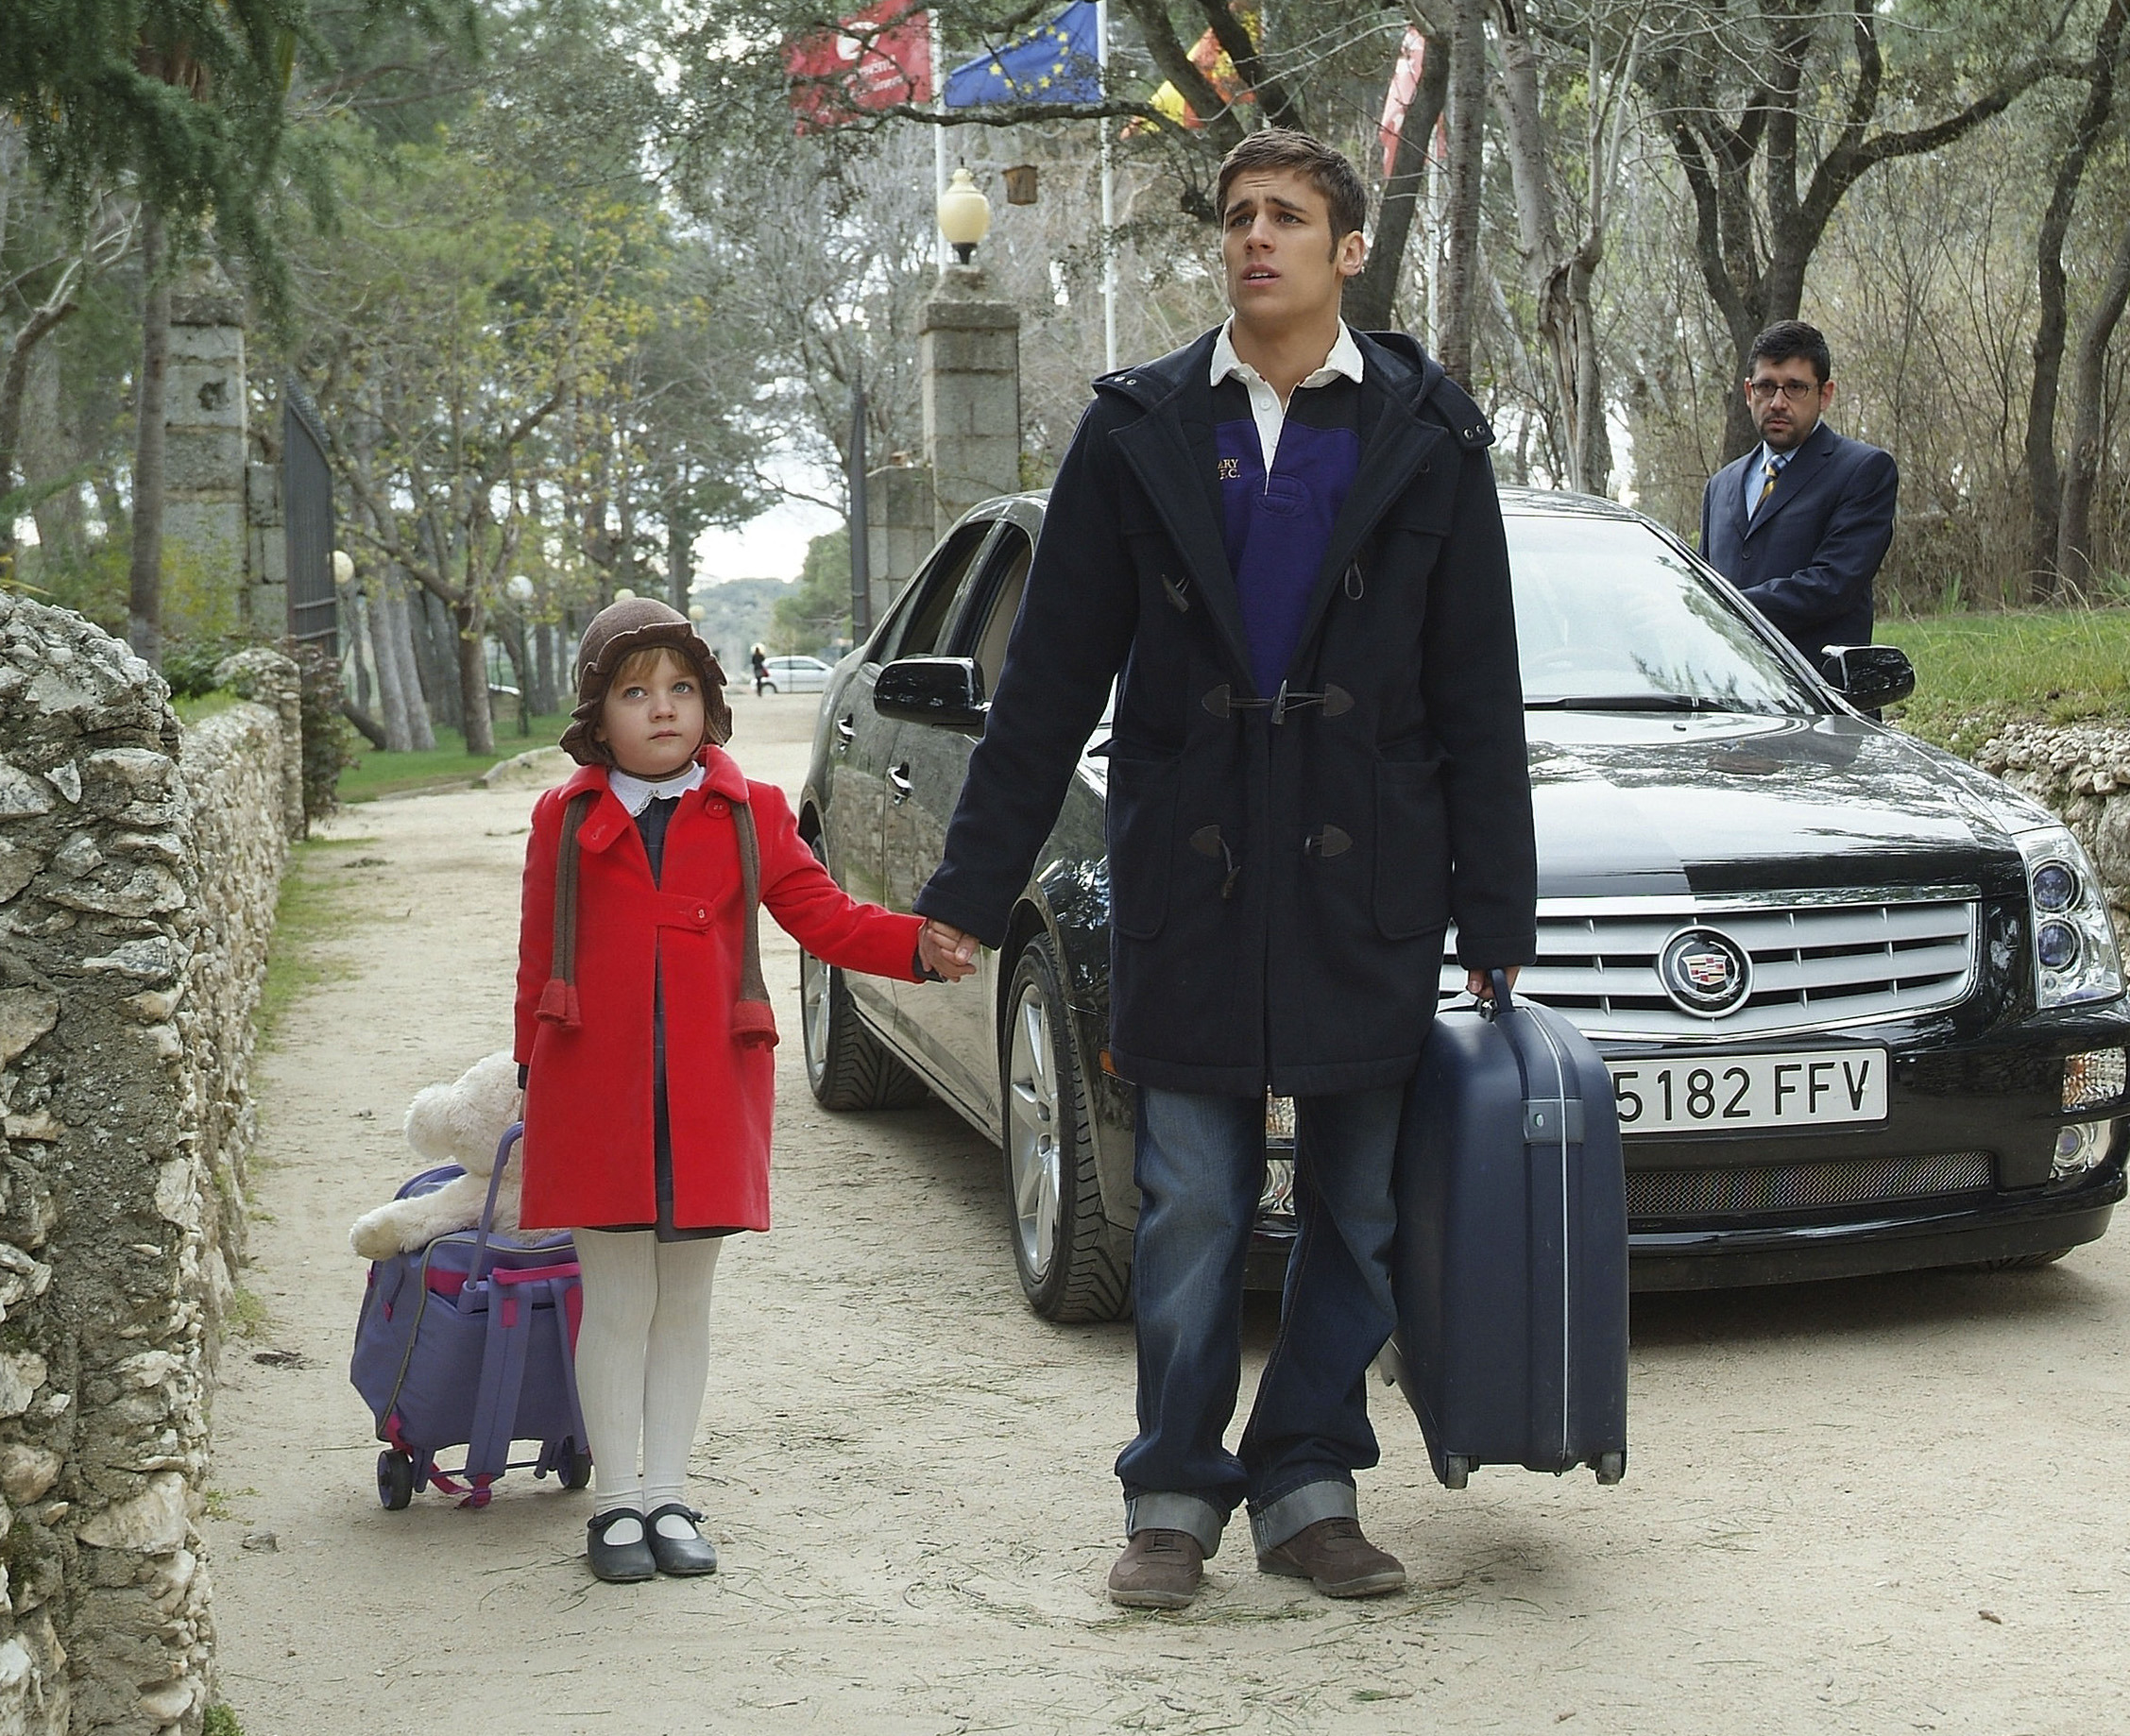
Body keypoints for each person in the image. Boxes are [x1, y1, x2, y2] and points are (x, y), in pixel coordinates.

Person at [915, 129, 1536, 1610]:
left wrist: (1497, 910)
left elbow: (1477, 694)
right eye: (1239, 215)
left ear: (1348, 249)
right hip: (1191, 882)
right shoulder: (1134, 426)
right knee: (1190, 1200)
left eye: (1288, 216)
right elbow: (1051, 681)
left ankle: (1312, 1482)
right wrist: (962, 887)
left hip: (1364, 883)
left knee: (1360, 1210)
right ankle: (1176, 1492)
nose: (1256, 236)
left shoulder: (1428, 434)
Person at [513, 597, 973, 1584]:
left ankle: (669, 1491)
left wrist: (918, 947)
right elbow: (534, 961)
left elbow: (826, 917)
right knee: (616, 1296)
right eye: (636, 693)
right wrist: (529, 1080)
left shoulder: (753, 812)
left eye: (681, 688)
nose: (663, 709)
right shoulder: (566, 817)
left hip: (708, 1094)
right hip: (594, 1095)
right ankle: (614, 1504)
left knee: (684, 1300)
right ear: (598, 717)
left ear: (711, 704)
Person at [1699, 319, 1900, 666]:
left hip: (1820, 703)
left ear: (1825, 395)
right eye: (1765, 387)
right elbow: (1701, 586)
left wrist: (1723, 608)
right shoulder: (1721, 485)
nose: (1777, 402)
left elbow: (1831, 586)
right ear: (1748, 393)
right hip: (1729, 702)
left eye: (1795, 388)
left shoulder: (1863, 470)